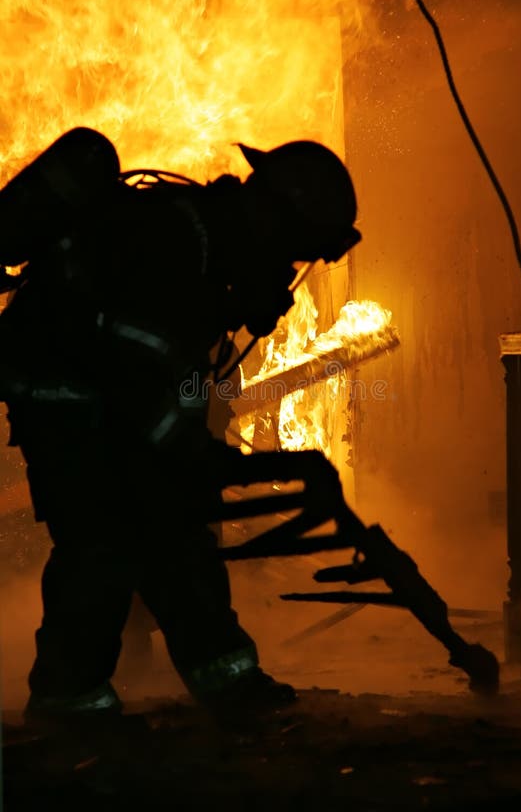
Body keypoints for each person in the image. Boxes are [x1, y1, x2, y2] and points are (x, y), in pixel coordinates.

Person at [0, 126, 361, 721]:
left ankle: (226, 678)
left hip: (101, 397)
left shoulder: (203, 248)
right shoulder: (176, 243)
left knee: (170, 521)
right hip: (63, 398)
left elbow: (166, 383)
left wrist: (192, 453)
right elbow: (132, 374)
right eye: (295, 252)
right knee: (102, 537)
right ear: (273, 221)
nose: (288, 274)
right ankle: (68, 699)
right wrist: (191, 453)